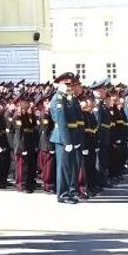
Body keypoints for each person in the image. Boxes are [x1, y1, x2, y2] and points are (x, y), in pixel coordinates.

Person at [50, 71, 79, 205]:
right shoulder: (58, 99)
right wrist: (67, 141)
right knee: (63, 167)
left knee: (71, 166)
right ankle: (62, 193)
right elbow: (61, 122)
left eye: (70, 84)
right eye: (66, 84)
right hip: (63, 138)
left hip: (71, 136)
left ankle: (71, 191)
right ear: (59, 85)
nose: (69, 87)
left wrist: (76, 139)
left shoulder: (68, 98)